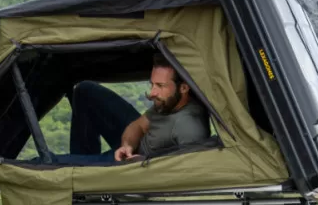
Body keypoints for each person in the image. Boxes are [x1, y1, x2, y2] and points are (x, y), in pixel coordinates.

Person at [42, 54, 210, 165]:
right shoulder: (169, 102)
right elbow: (138, 125)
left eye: (160, 86)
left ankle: (82, 169)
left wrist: (145, 162)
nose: (152, 93)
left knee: (49, 163)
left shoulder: (190, 127)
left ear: (184, 88)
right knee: (85, 91)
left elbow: (183, 174)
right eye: (152, 84)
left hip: (134, 163)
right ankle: (82, 163)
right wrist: (127, 144)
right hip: (132, 147)